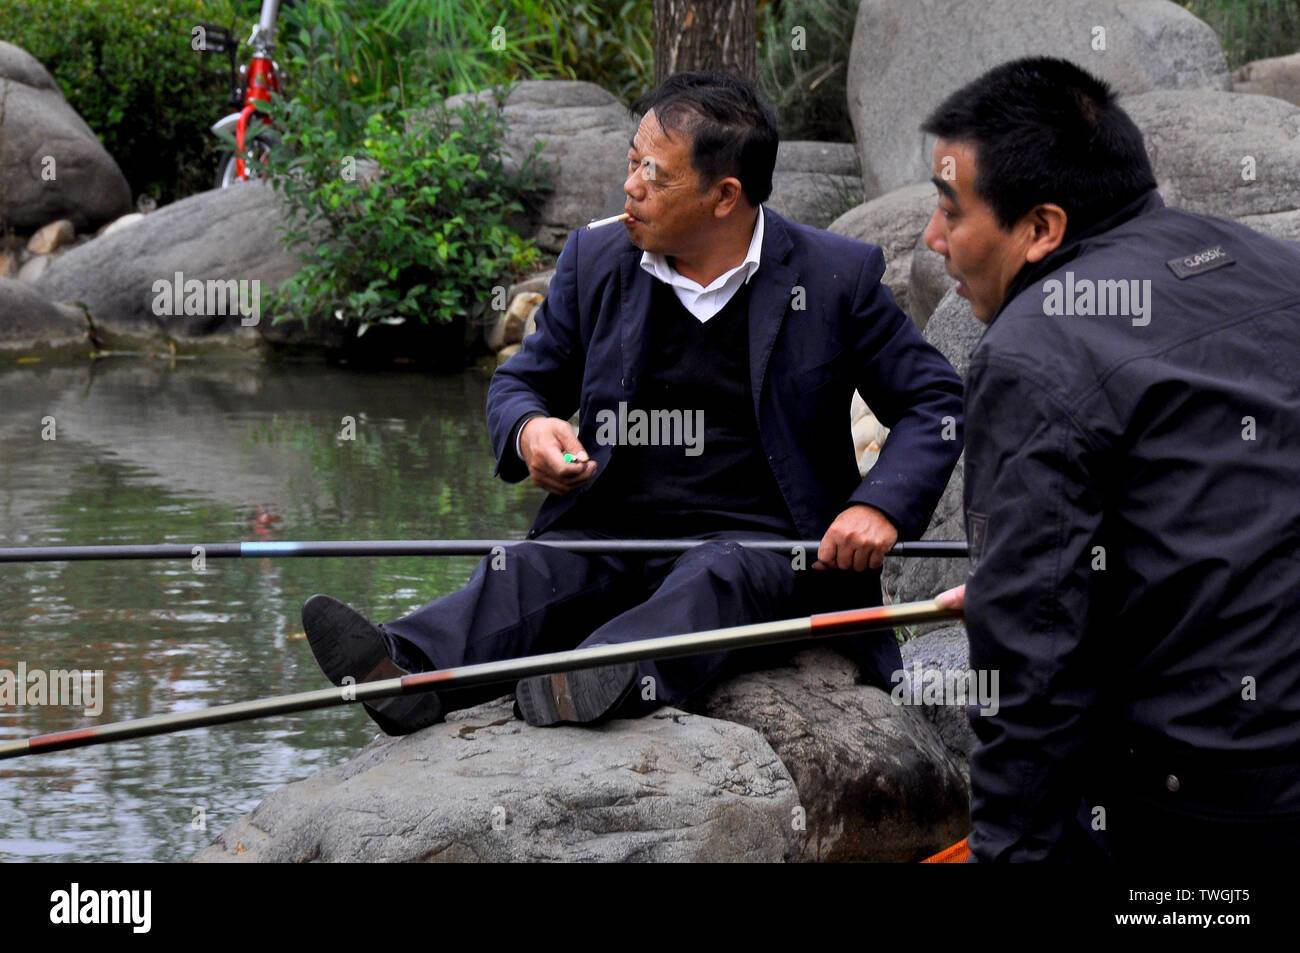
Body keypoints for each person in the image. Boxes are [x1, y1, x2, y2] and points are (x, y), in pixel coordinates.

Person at [303, 70, 964, 734]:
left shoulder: (831, 277)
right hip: (612, 532)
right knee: (527, 570)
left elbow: (934, 399)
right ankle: (406, 670)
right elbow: (521, 383)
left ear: (725, 195)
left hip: (764, 549)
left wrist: (879, 505)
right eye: (631, 163)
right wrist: (530, 428)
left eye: (656, 175)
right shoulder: (597, 258)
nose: (631, 188)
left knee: (716, 576)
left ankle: (596, 672)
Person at [919, 57, 1300, 862]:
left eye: (950, 209)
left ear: (1042, 228)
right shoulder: (1273, 268)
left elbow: (1032, 668)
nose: (932, 237)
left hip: (1208, 799)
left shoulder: (1035, 349)